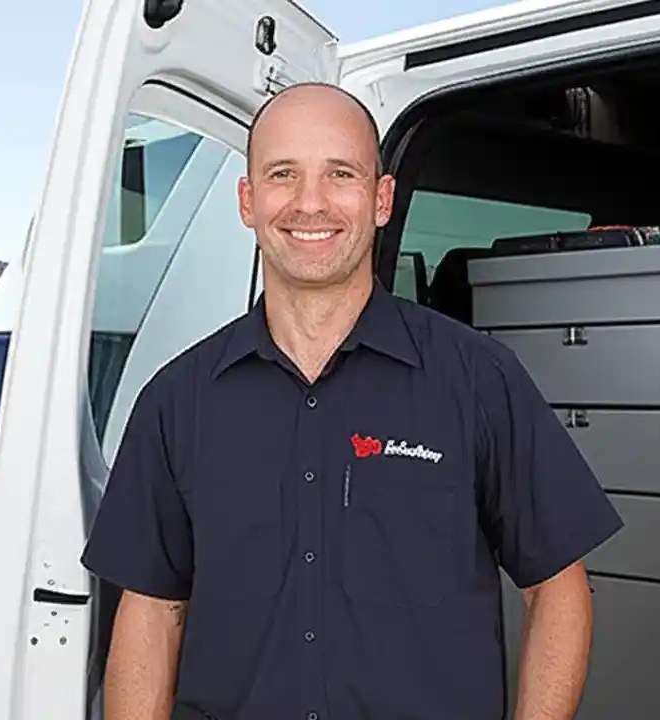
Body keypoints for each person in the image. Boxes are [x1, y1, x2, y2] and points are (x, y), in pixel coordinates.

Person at [80, 82, 624, 720]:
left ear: (382, 199)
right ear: (248, 201)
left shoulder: (479, 380)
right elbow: (151, 612)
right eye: (283, 174)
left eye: (340, 174)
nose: (311, 203)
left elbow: (558, 589)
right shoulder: (176, 403)